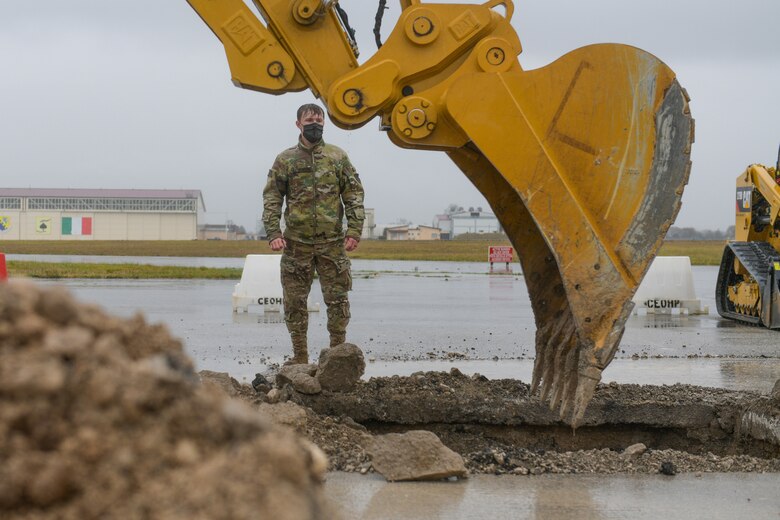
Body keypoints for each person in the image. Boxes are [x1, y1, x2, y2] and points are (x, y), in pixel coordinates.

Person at [263, 103, 365, 365]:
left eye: (319, 120)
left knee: (338, 300)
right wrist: (273, 231)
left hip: (332, 243)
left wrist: (354, 230)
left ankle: (337, 354)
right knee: (295, 302)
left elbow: (353, 195)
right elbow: (273, 196)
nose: (315, 124)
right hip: (297, 244)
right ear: (298, 124)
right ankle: (300, 356)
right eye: (309, 120)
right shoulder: (286, 159)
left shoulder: (337, 157)